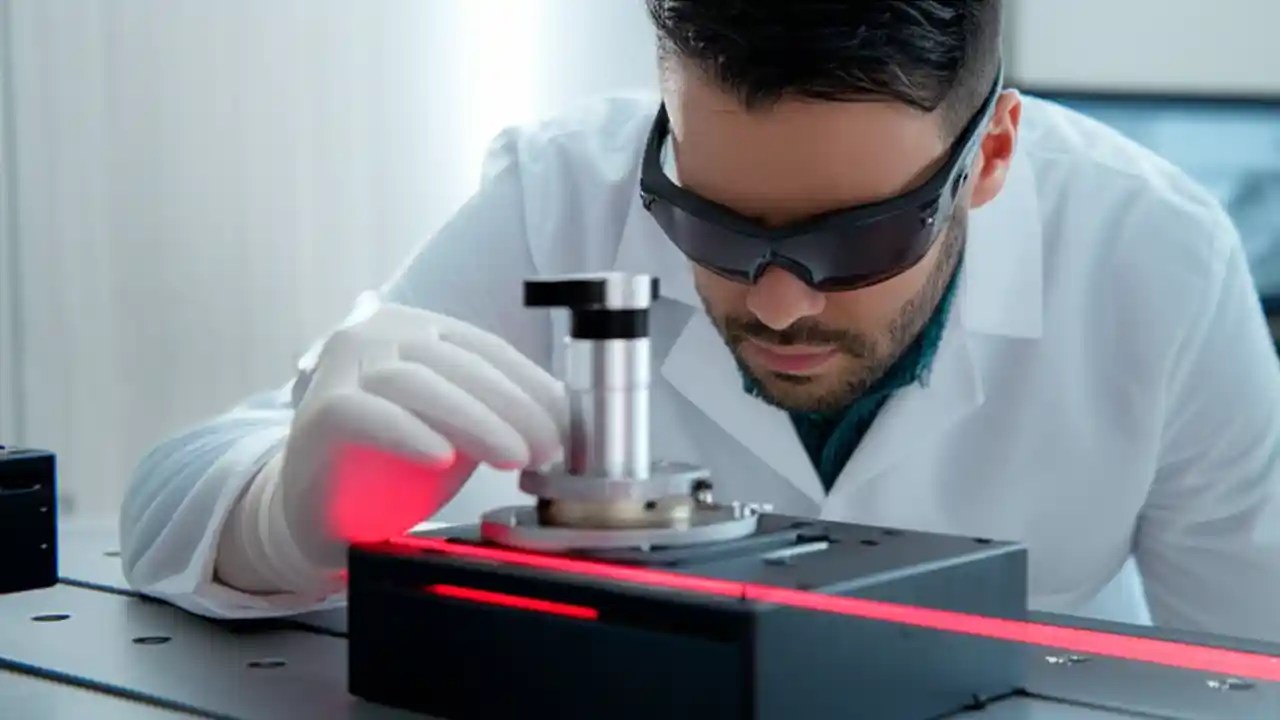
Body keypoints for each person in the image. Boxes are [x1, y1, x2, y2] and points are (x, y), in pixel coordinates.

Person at [120, 0, 1280, 644]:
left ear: (988, 158)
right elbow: (171, 498)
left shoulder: (1155, 257)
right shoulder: (561, 191)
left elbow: (1251, 661)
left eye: (855, 239)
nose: (776, 301)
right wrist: (283, 515)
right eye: (711, 224)